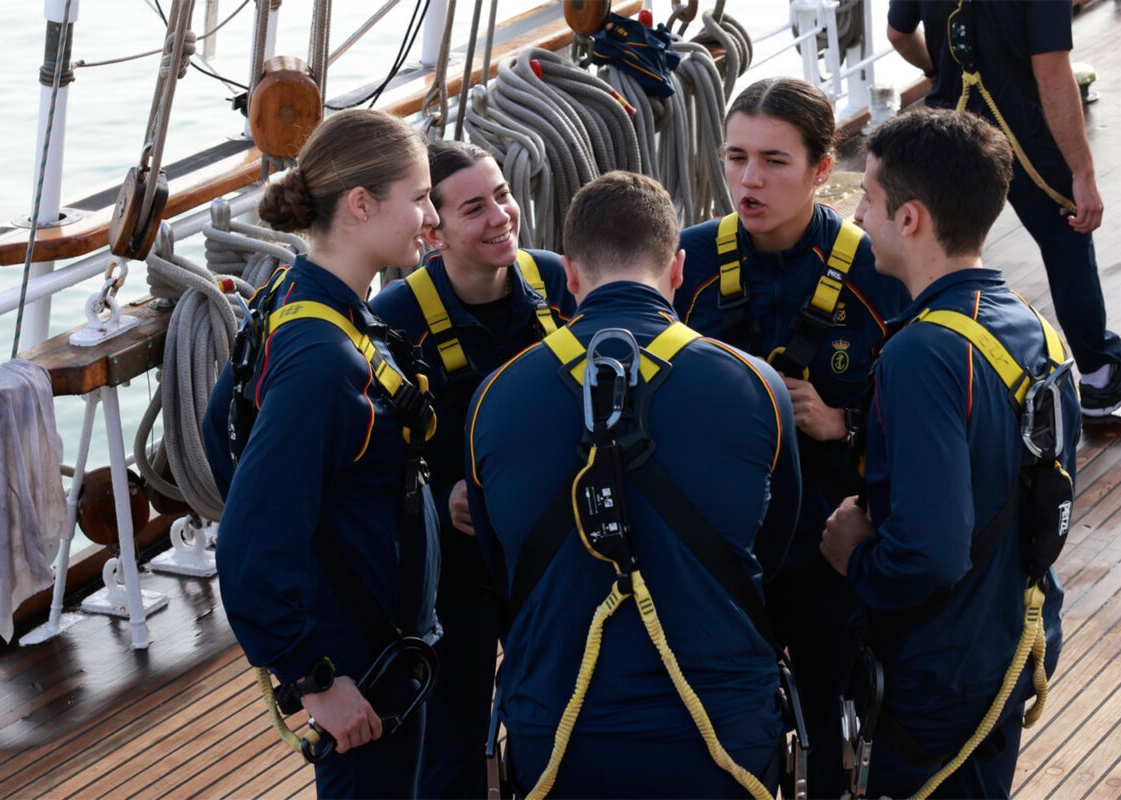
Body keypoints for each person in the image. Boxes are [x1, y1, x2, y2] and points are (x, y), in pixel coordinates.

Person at [466, 171, 802, 797]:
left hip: (559, 735)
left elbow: (497, 564)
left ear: (568, 276)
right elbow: (775, 544)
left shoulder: (495, 397)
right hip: (720, 735)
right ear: (677, 269)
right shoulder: (755, 385)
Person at [822, 107, 1080, 798]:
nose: (860, 219)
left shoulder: (924, 353)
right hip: (1010, 642)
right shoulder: (1034, 329)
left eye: (869, 201)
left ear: (909, 219)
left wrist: (855, 556)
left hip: (941, 670)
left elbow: (931, 552)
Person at [672, 75, 909, 793]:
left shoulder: (877, 270)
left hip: (824, 556)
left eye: (774, 161)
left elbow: (921, 418)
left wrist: (846, 423)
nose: (749, 179)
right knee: (716, 737)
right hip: (717, 557)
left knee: (832, 725)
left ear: (820, 168)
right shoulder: (686, 265)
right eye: (735, 157)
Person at [201, 109, 442, 798]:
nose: (431, 216)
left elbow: (225, 429)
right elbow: (250, 542)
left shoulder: (299, 297)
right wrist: (316, 678)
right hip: (361, 672)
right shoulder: (323, 360)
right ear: (362, 205)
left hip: (378, 649)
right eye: (420, 197)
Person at [369, 139, 575, 799]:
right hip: (453, 576)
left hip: (550, 551)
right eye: (474, 208)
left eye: (504, 196)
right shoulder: (395, 320)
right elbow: (372, 457)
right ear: (435, 230)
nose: (500, 218)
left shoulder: (558, 283)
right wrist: (438, 491)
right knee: (452, 733)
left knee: (557, 710)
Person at [887, 0, 1121, 417]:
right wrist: (1084, 174)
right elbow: (1051, 72)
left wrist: (939, 68)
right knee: (1066, 242)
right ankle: (1098, 378)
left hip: (952, 124)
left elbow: (898, 34)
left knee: (932, 251)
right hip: (1024, 132)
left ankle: (921, 370)